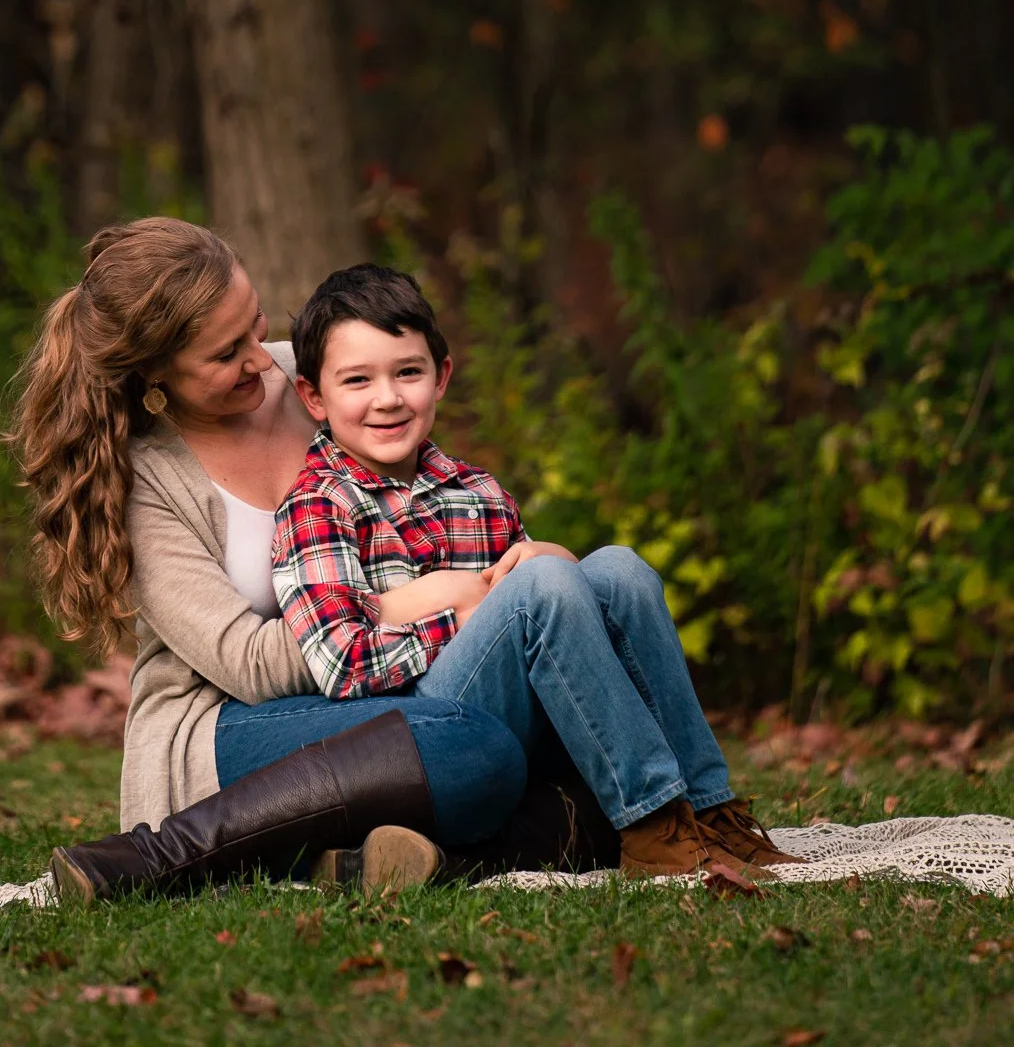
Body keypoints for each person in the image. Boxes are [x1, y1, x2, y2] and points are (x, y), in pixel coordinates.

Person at [7, 218, 538, 904]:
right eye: (227, 353)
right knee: (474, 747)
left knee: (553, 740)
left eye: (256, 326)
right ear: (155, 372)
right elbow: (250, 665)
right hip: (233, 726)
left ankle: (369, 859)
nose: (262, 360)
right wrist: (426, 599)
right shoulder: (146, 481)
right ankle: (164, 855)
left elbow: (424, 502)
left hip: (392, 683)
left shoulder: (315, 379)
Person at [269, 263, 799, 880]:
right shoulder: (318, 505)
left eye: (407, 372)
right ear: (314, 396)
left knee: (619, 569)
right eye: (358, 380)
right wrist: (465, 614)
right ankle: (652, 823)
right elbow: (342, 667)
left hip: (519, 714)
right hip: (419, 731)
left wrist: (553, 565)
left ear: (441, 377)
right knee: (539, 586)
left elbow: (551, 616)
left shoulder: (477, 491)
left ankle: (708, 810)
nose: (387, 398)